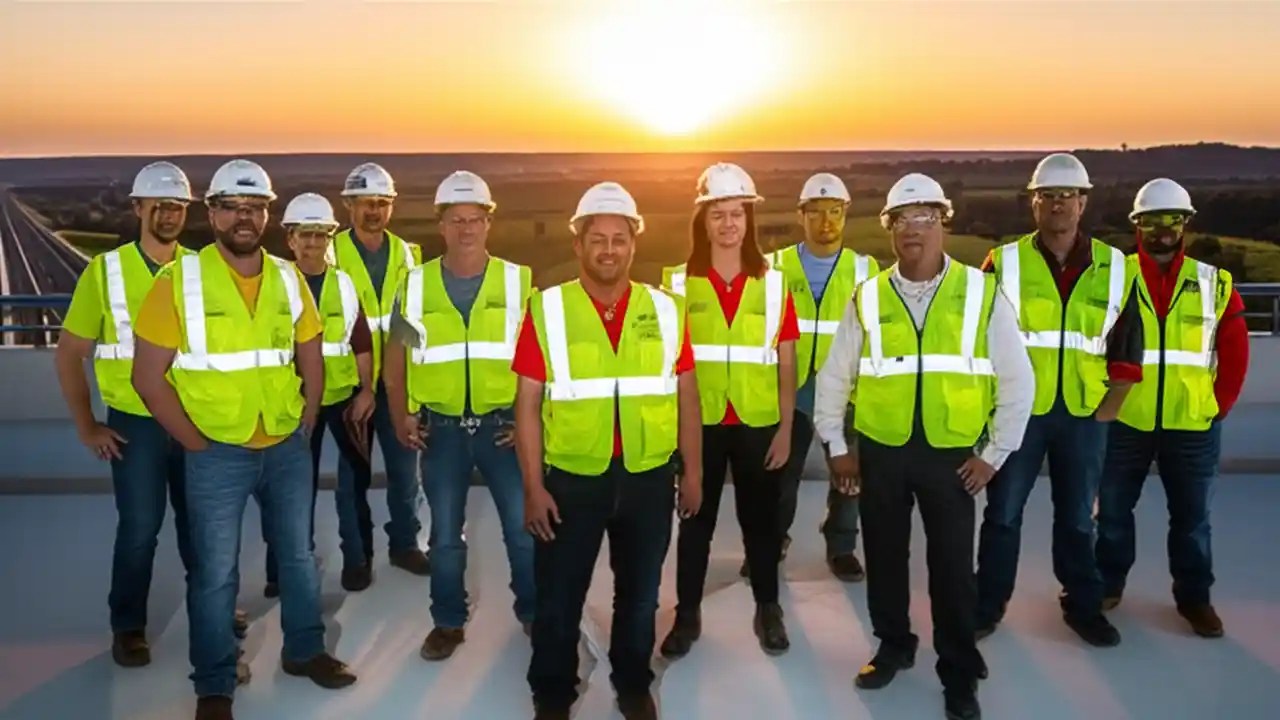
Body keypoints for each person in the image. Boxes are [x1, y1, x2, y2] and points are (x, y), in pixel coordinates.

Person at [131, 160, 356, 720]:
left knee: (299, 558)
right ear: (212, 213)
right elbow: (146, 376)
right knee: (216, 572)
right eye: (231, 206)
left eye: (254, 208)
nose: (243, 217)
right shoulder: (176, 283)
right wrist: (193, 440)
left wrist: (306, 416)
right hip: (217, 452)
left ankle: (305, 651)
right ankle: (214, 683)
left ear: (267, 215)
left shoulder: (286, 277)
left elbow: (310, 347)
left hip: (283, 446)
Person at [814, 173, 1034, 720]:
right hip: (882, 452)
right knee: (885, 558)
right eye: (902, 219)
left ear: (943, 222)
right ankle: (893, 645)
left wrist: (993, 454)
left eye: (926, 218)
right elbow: (834, 377)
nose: (914, 230)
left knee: (953, 570)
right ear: (889, 228)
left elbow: (1018, 381)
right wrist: (838, 444)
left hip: (951, 456)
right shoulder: (868, 297)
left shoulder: (981, 293)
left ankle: (958, 671)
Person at [515, 182, 702, 720]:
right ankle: (552, 693)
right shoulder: (547, 310)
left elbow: (686, 394)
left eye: (619, 239)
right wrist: (533, 487)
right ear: (578, 245)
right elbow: (527, 404)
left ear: (633, 245)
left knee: (640, 596)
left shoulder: (666, 311)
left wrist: (693, 473)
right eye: (598, 239)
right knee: (558, 598)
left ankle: (632, 681)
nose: (609, 250)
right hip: (573, 478)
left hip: (647, 476)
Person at [974, 152, 1144, 648]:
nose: (1057, 205)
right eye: (1047, 196)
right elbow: (975, 338)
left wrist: (1109, 408)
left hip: (1085, 415)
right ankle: (987, 606)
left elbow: (1127, 344)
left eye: (1066, 196)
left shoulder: (1114, 267)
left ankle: (1083, 607)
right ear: (1033, 203)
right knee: (1003, 513)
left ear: (1083, 202)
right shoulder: (1002, 262)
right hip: (1018, 414)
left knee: (1076, 517)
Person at [54, 161, 206, 667]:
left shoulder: (202, 270)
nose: (168, 214)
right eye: (159, 205)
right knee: (141, 528)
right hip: (134, 425)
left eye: (178, 206)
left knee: (203, 524)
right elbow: (69, 351)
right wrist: (87, 425)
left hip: (193, 417)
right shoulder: (107, 271)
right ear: (138, 208)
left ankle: (213, 609)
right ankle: (128, 626)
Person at [382, 171, 536, 661]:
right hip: (441, 430)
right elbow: (395, 359)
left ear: (488, 223)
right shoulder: (416, 284)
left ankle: (534, 614)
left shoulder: (518, 281)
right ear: (441, 225)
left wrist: (534, 422)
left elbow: (542, 360)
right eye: (456, 220)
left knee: (522, 529)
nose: (466, 228)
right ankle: (447, 622)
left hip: (503, 428)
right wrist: (401, 414)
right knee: (444, 536)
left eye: (475, 219)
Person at [1095, 178, 1249, 638]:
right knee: (1114, 513)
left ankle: (1195, 599)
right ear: (1137, 226)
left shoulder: (1214, 283)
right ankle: (1107, 585)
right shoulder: (1112, 278)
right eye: (1153, 221)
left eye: (1173, 220)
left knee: (1192, 521)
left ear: (1185, 224)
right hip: (1124, 421)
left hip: (1192, 424)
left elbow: (1236, 352)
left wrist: (1214, 407)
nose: (1163, 230)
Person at [660, 162, 800, 660]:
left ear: (749, 220)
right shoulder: (675, 286)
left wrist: (785, 427)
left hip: (758, 424)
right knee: (695, 521)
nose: (728, 224)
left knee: (761, 526)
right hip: (700, 427)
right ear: (702, 220)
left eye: (736, 214)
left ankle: (768, 608)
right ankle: (687, 616)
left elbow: (786, 361)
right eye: (717, 214)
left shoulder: (774, 283)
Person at [761, 172, 879, 583]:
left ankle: (842, 546)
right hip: (789, 389)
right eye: (816, 212)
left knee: (848, 477)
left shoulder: (865, 269)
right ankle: (771, 542)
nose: (826, 221)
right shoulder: (773, 268)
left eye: (835, 212)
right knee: (780, 476)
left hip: (844, 390)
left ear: (845, 214)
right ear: (801, 215)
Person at [259, 193, 376, 597]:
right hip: (293, 404)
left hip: (344, 402)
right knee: (291, 492)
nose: (313, 244)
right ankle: (282, 571)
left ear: (330, 239)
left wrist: (367, 392)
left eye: (320, 236)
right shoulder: (273, 283)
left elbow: (361, 341)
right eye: (305, 236)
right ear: (289, 239)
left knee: (353, 486)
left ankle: (358, 560)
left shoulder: (343, 284)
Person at [331, 161, 429, 576]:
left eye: (381, 203)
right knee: (353, 476)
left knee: (406, 471)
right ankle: (357, 556)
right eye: (365, 203)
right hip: (350, 383)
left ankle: (405, 545)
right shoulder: (330, 251)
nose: (373, 211)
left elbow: (412, 318)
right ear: (348, 206)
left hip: (397, 381)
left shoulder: (409, 254)